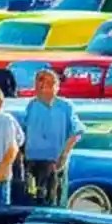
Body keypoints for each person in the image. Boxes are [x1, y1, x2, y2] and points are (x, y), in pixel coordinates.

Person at [21, 69, 83, 207]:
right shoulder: (32, 105)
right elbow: (25, 130)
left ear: (56, 86)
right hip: (33, 161)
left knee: (53, 200)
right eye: (38, 83)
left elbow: (76, 132)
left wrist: (64, 155)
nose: (41, 87)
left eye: (47, 83)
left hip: (54, 160)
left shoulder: (65, 107)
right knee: (33, 200)